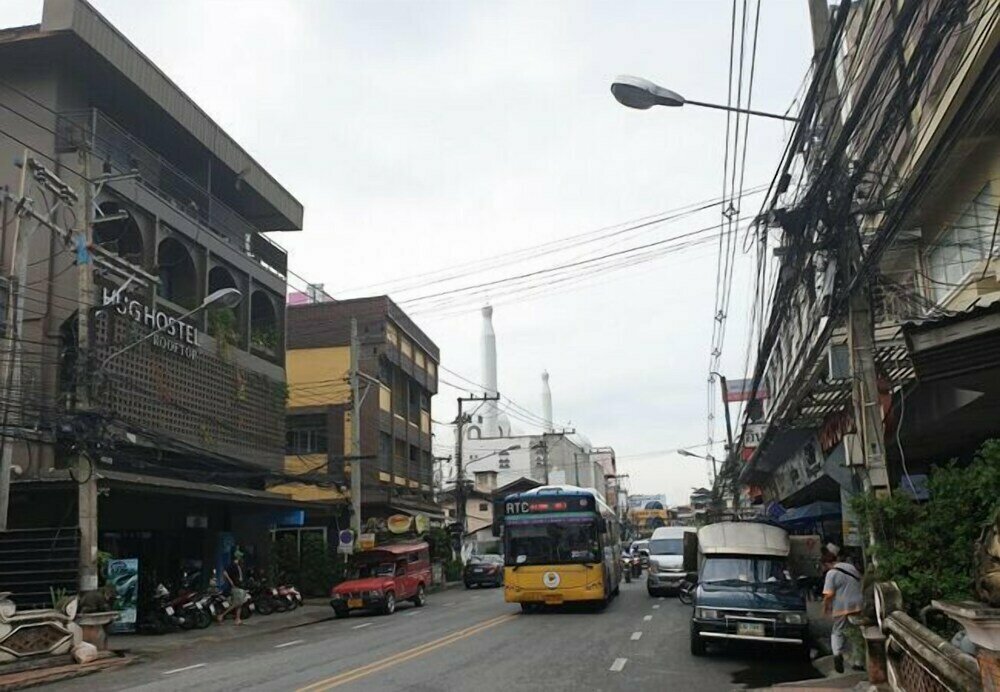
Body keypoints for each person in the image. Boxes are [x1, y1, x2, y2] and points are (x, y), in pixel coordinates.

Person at [822, 546, 863, 673]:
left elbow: (828, 594)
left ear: (826, 563)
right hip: (857, 605)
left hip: (841, 607)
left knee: (837, 631)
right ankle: (858, 663)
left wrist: (825, 608)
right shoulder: (850, 567)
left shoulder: (831, 573)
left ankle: (837, 654)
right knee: (856, 633)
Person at [218, 551, 248, 625]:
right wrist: (231, 581)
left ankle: (237, 619)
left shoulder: (239, 566)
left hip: (241, 586)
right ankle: (222, 615)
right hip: (236, 587)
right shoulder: (232, 565)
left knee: (240, 604)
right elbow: (225, 573)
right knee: (236, 603)